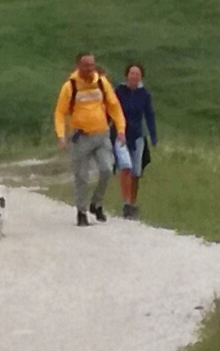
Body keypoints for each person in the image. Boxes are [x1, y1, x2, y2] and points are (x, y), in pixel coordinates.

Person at [52, 51, 126, 223]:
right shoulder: (70, 86)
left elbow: (114, 106)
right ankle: (81, 212)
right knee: (81, 176)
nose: (90, 68)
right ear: (78, 66)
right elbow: (60, 112)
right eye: (86, 65)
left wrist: (121, 129)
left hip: (101, 135)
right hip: (81, 138)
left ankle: (97, 203)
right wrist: (61, 135)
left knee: (107, 169)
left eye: (92, 65)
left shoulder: (101, 82)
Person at [115, 60, 157, 216]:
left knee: (136, 172)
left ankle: (132, 202)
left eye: (137, 74)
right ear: (127, 75)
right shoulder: (118, 91)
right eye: (132, 73)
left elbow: (149, 115)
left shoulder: (144, 94)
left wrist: (153, 136)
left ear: (141, 77)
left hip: (138, 136)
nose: (134, 76)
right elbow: (111, 109)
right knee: (125, 166)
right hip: (121, 135)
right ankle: (125, 202)